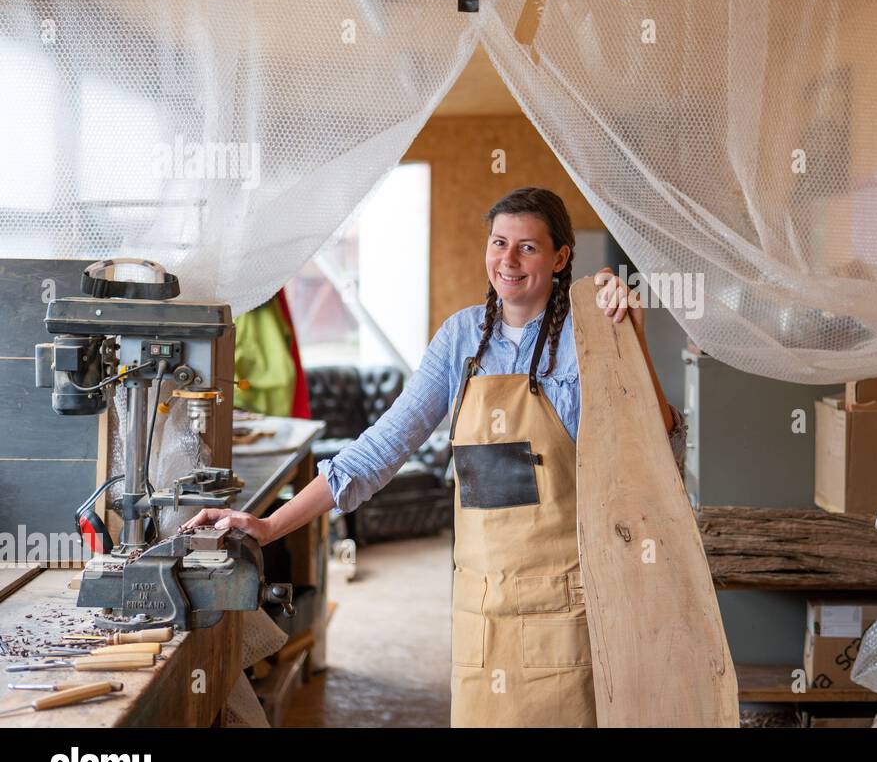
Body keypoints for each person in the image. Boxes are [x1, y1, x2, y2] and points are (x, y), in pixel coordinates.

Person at [184, 187, 686, 727]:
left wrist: (634, 339)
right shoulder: (460, 339)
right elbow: (379, 449)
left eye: (528, 248)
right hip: (483, 602)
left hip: (568, 600)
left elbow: (657, 447)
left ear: (561, 257)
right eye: (499, 243)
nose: (508, 261)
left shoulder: (590, 334)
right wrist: (267, 525)